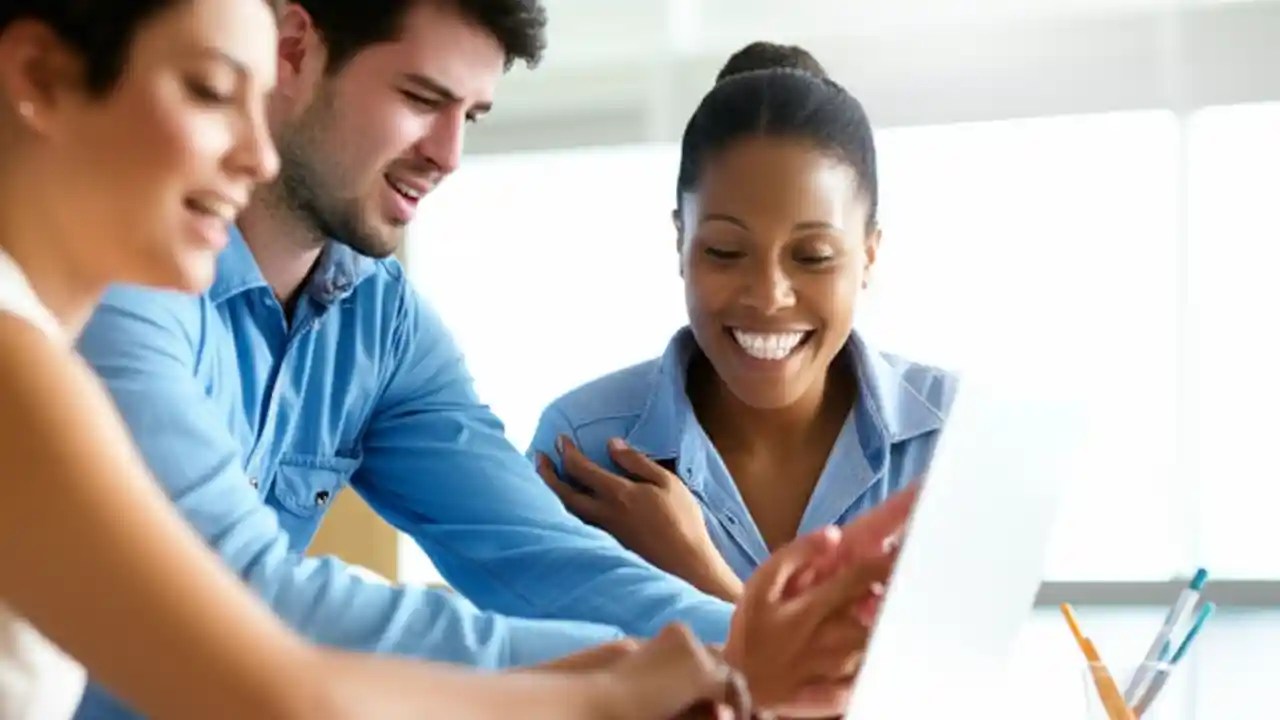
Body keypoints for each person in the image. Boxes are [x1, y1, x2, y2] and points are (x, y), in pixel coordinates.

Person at [73, 2, 912, 718]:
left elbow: (545, 561)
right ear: (293, 50)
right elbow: (244, 598)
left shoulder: (383, 326)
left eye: (469, 116)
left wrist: (800, 660)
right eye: (419, 98)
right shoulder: (120, 280)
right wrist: (651, 681)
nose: (447, 155)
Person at [530, 42, 957, 603]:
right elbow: (543, 681)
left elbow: (946, 690)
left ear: (869, 256)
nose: (768, 296)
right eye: (727, 252)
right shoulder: (584, 448)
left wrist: (699, 574)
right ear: (681, 240)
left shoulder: (955, 439)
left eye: (813, 256)